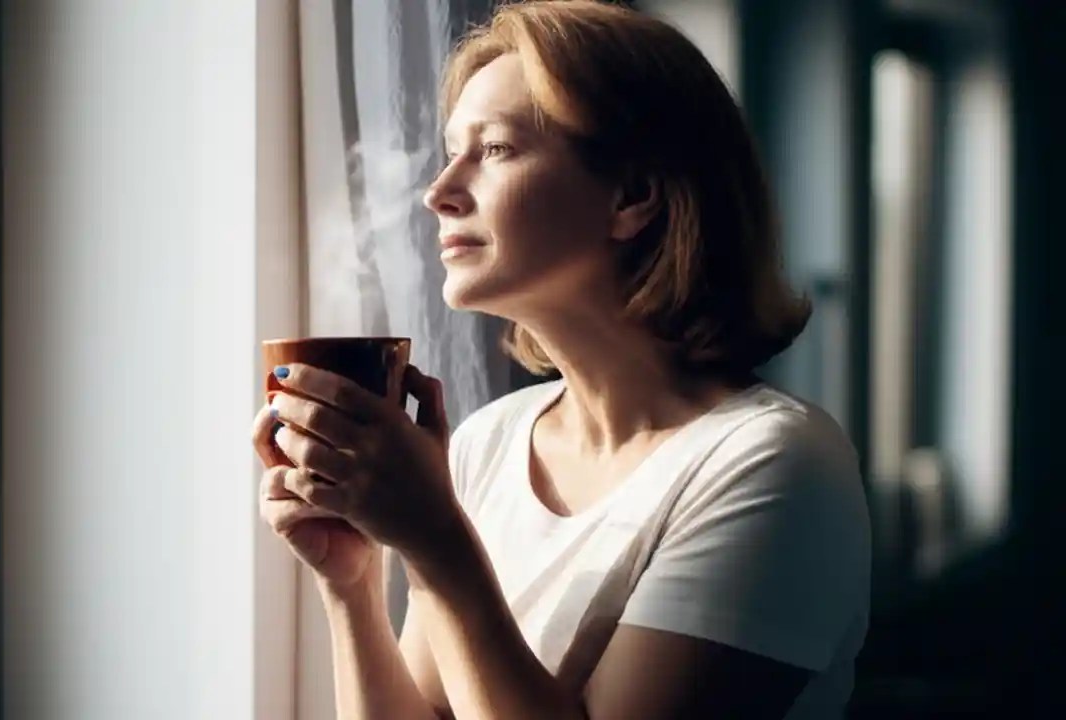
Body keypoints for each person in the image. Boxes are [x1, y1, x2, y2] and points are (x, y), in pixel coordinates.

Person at [251, 1, 871, 717]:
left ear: (632, 195)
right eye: (451, 151)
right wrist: (351, 583)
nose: (439, 192)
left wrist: (435, 542)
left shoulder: (773, 464)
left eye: (495, 149)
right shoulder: (489, 443)